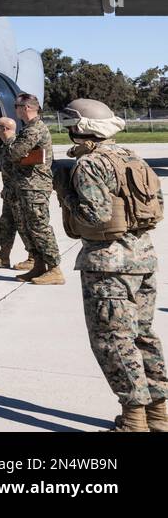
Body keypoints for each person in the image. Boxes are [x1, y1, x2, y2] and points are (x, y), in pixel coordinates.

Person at [55, 98, 166, 431]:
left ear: (81, 128)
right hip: (142, 259)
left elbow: (96, 215)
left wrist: (65, 191)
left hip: (108, 265)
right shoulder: (133, 157)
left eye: (72, 124)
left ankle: (134, 420)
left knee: (113, 341)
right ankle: (159, 414)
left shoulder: (89, 164)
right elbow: (156, 205)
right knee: (143, 336)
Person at [4, 92, 64, 284]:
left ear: (27, 108)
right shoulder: (28, 128)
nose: (15, 110)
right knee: (27, 227)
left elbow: (15, 153)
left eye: (17, 107)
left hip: (35, 186)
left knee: (39, 227)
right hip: (26, 186)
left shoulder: (34, 129)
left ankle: (54, 269)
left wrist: (9, 139)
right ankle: (38, 265)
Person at [0, 117, 30, 270]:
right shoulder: (5, 146)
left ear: (4, 129)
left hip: (17, 194)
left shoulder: (17, 146)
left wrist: (14, 189)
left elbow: (23, 172)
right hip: (9, 193)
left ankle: (33, 257)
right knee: (6, 224)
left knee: (23, 225)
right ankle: (3, 256)